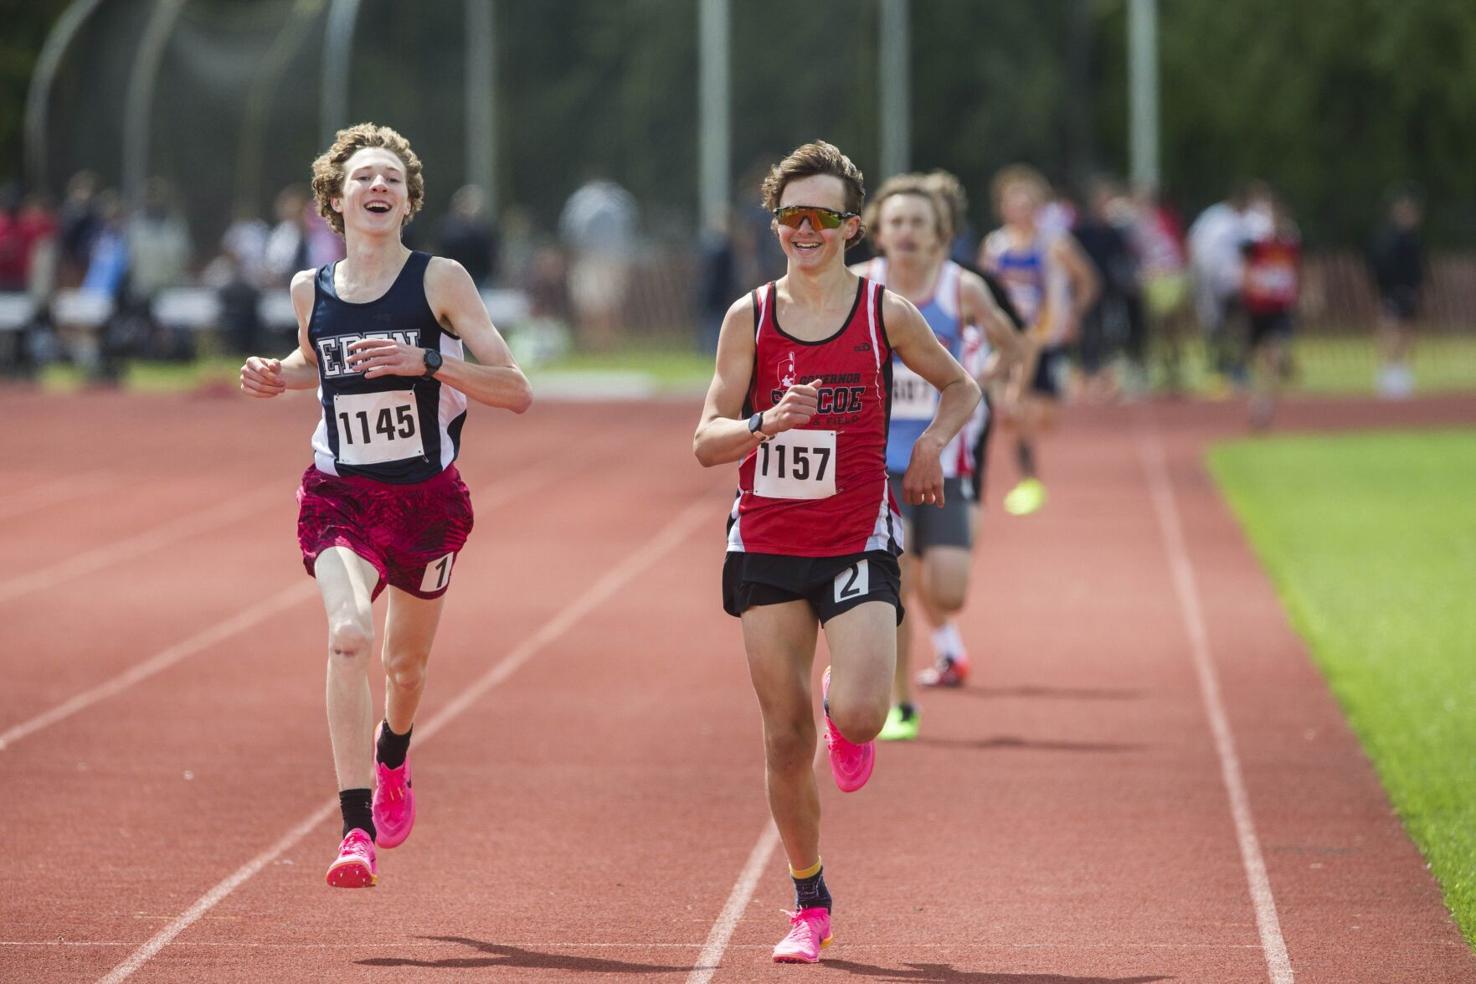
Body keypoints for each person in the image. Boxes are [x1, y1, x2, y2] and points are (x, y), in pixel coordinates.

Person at [693, 141, 979, 963]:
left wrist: (929, 448)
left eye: (821, 216)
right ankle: (808, 899)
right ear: (775, 223)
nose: (805, 229)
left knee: (862, 713)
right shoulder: (748, 317)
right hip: (769, 545)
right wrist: (761, 425)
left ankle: (843, 713)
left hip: (857, 537)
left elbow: (962, 386)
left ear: (852, 227)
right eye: (791, 215)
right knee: (783, 740)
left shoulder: (884, 312)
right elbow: (706, 441)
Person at [238, 123, 532, 889]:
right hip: (341, 494)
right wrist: (280, 374)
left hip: (427, 502)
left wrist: (430, 361)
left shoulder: (441, 282)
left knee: (406, 668)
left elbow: (517, 390)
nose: (379, 187)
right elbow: (317, 361)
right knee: (348, 635)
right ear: (334, 200)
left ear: (407, 201)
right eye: (364, 177)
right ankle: (355, 828)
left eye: (392, 179)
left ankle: (393, 759)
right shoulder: (312, 289)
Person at [852, 174, 1020, 739]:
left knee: (948, 590)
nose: (906, 232)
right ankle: (900, 704)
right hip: (876, 463)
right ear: (877, 231)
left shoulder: (961, 289)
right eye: (896, 221)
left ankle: (918, 567)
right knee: (895, 586)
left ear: (938, 234)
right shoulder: (859, 286)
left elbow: (1011, 343)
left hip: (946, 458)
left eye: (918, 223)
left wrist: (980, 379)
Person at [979, 165, 1098, 517]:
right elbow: (981, 289)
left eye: (1028, 204)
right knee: (1017, 409)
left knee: (1043, 415)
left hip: (1045, 339)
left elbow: (1088, 280)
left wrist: (1074, 313)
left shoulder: (1055, 244)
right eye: (1014, 204)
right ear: (1003, 208)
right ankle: (1029, 480)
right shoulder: (995, 246)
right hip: (1009, 341)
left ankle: (1030, 471)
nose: (1022, 211)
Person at [1241, 192, 1300, 429]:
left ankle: (1262, 405)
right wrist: (1254, 287)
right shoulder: (1255, 244)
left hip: (1280, 310)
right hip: (1258, 309)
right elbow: (1245, 272)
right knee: (1260, 361)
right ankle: (1261, 398)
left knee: (1273, 356)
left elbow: (1295, 270)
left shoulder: (1290, 243)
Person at [1369, 188, 1425, 399]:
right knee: (1390, 331)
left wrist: (1418, 288)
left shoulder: (1414, 240)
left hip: (1409, 292)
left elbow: (1419, 269)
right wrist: (1384, 290)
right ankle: (1386, 374)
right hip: (1392, 292)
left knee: (1408, 333)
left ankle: (1402, 374)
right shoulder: (1388, 240)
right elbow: (1379, 267)